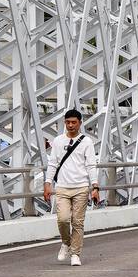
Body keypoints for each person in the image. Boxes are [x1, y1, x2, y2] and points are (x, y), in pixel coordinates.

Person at [43, 109, 101, 265]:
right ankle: (66, 242)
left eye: (74, 122)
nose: (70, 125)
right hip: (62, 187)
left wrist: (95, 186)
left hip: (81, 187)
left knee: (77, 222)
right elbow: (53, 163)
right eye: (68, 122)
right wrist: (47, 183)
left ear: (80, 123)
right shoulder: (58, 141)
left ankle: (75, 253)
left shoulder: (87, 142)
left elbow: (91, 165)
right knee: (62, 219)